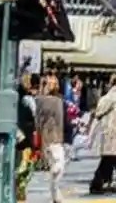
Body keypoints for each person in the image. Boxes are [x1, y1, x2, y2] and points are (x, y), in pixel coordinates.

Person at [35, 75, 68, 203]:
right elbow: (59, 121)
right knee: (58, 166)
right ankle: (56, 195)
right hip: (53, 137)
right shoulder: (53, 101)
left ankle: (56, 195)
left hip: (49, 137)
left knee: (56, 165)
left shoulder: (41, 100)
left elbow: (38, 121)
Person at [15, 74, 40, 202]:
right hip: (26, 139)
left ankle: (19, 194)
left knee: (21, 168)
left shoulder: (18, 99)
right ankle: (20, 195)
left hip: (18, 138)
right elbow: (35, 118)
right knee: (24, 169)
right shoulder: (28, 100)